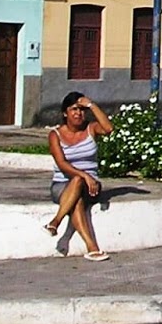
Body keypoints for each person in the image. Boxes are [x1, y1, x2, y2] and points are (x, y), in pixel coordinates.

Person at [46, 92, 113, 259]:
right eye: (74, 109)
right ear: (65, 113)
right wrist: (84, 175)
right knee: (76, 193)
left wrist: (92, 105)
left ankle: (55, 222)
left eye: (82, 110)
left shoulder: (91, 129)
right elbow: (61, 163)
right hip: (61, 186)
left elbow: (108, 128)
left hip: (91, 187)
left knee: (77, 189)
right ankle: (92, 247)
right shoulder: (55, 134)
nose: (78, 113)